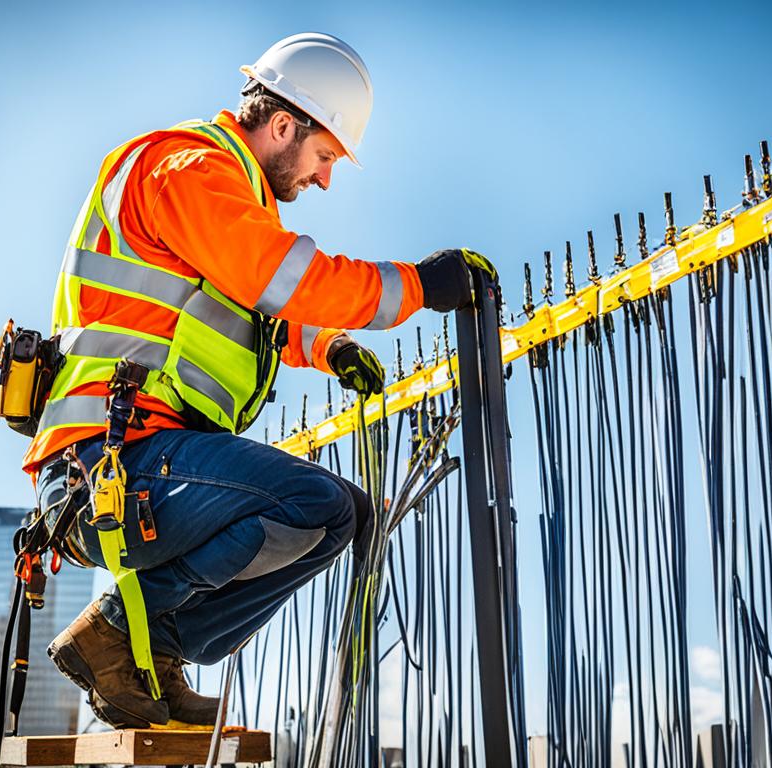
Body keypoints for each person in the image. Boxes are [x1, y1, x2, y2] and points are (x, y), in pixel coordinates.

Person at [25, 32, 496, 729]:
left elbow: (250, 311)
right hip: (109, 463)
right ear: (283, 125)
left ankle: (149, 650)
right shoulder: (186, 169)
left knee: (350, 515)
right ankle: (118, 629)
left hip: (142, 460)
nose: (326, 177)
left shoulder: (226, 195)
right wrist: (420, 286)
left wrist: (328, 348)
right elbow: (277, 276)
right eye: (326, 155)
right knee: (316, 503)